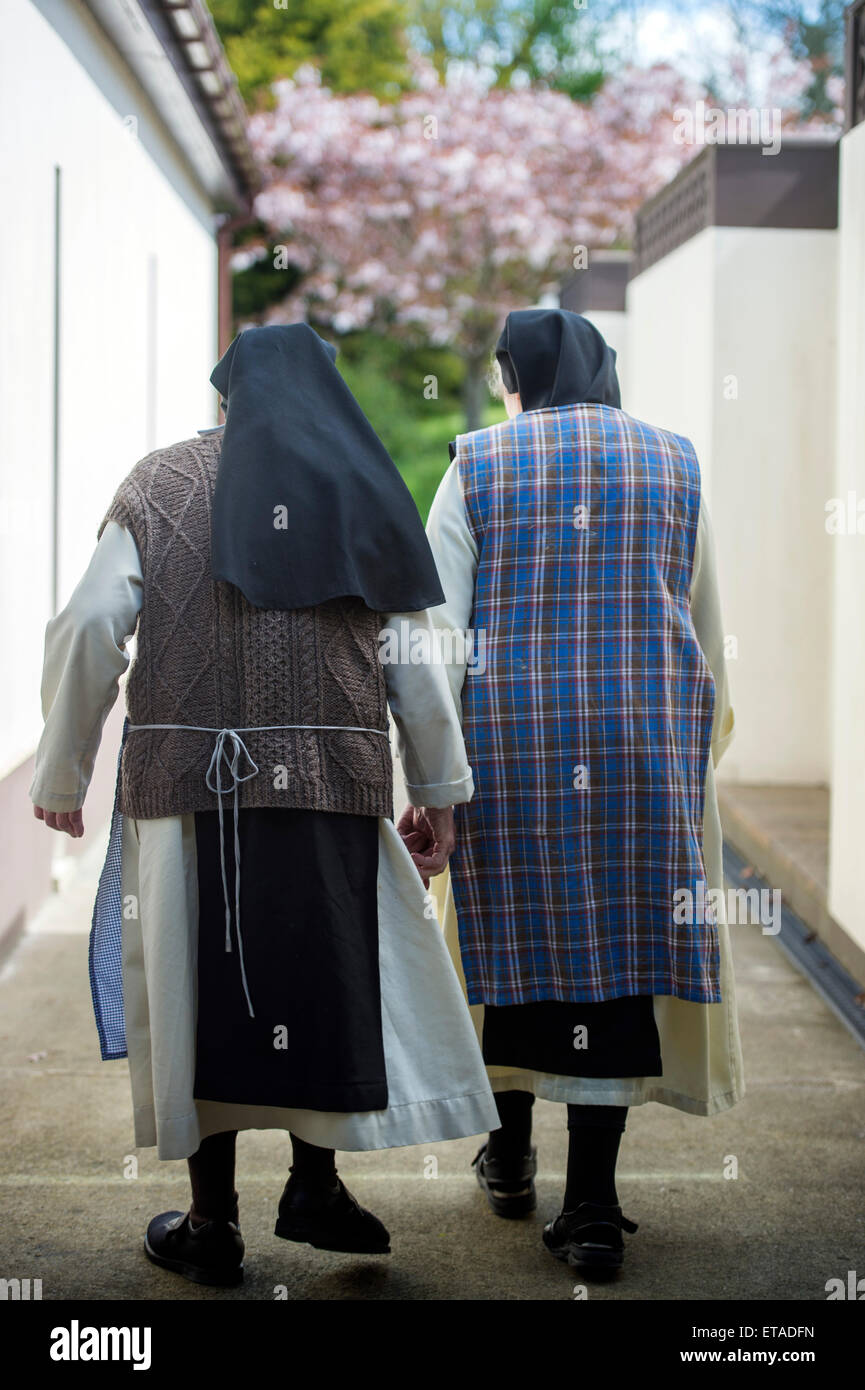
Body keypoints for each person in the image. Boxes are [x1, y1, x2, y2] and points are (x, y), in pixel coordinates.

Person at [30, 323, 498, 1289]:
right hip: (330, 789)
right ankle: (313, 1185)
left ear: (225, 398)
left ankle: (212, 1224)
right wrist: (441, 793)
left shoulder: (159, 485)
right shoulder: (364, 487)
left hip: (185, 794)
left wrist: (61, 773)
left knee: (196, 994)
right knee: (318, 983)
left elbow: (88, 625)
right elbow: (417, 656)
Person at [412, 307, 744, 1273]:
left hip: (511, 754)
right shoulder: (675, 464)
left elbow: (436, 635)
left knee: (510, 942)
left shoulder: (476, 464)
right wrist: (698, 752)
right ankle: (593, 1205)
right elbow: (706, 629)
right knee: (619, 956)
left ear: (517, 377)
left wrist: (434, 780)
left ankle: (508, 1156)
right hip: (642, 753)